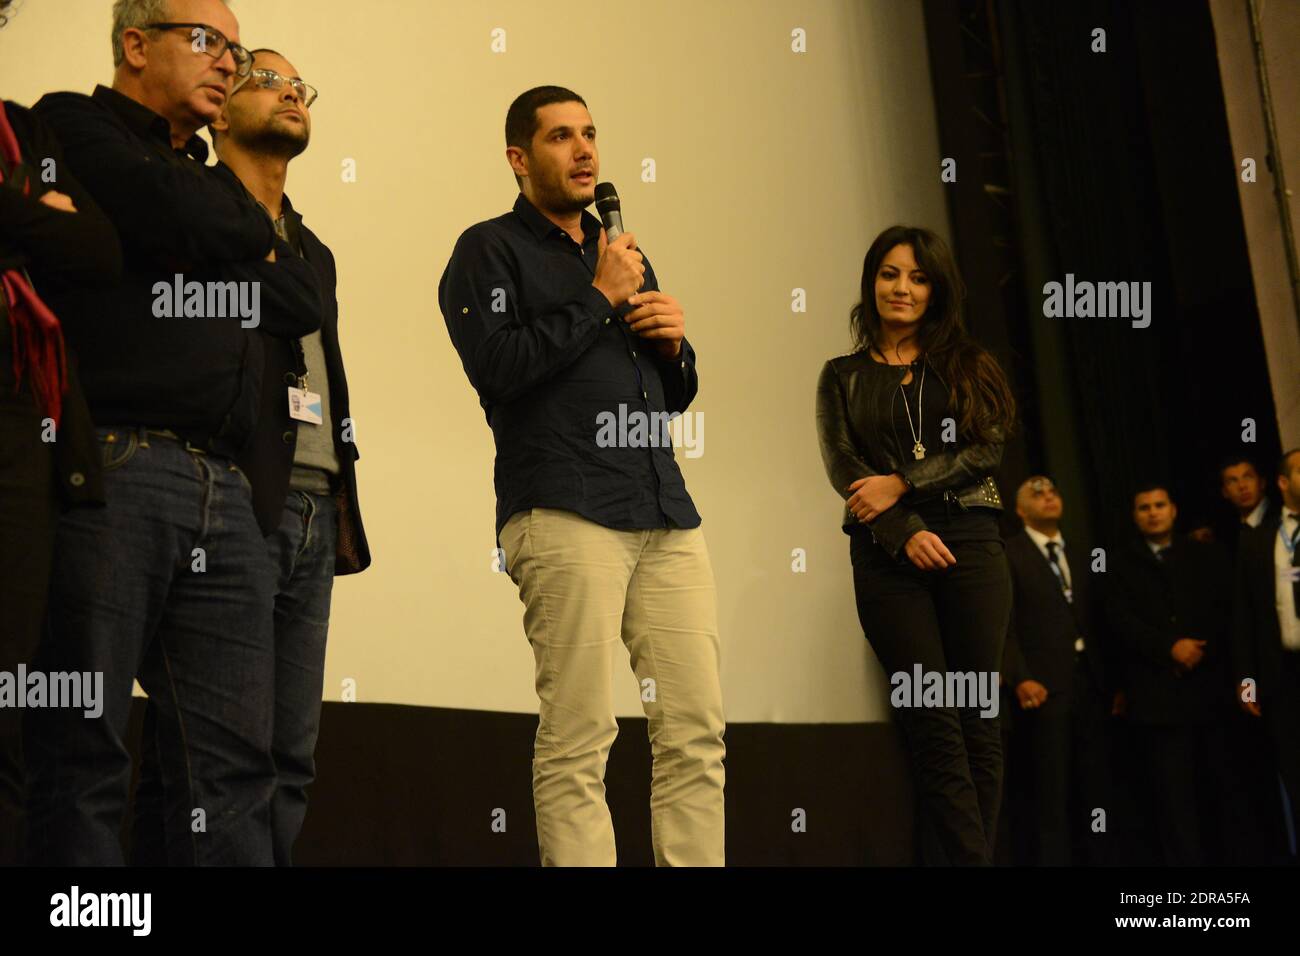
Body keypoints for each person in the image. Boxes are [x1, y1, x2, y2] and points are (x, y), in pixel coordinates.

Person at [22, 0, 323, 866]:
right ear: (134, 43)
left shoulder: (198, 176)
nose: (227, 61)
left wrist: (200, 245)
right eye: (206, 41)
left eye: (234, 48)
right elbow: (178, 215)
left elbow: (299, 298)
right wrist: (232, 246)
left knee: (233, 770)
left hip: (230, 491)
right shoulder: (72, 125)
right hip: (113, 467)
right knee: (83, 744)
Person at [439, 86, 725, 866]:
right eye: (562, 136)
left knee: (695, 730)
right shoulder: (488, 250)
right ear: (519, 158)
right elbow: (498, 369)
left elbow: (668, 396)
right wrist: (600, 297)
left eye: (591, 133)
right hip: (564, 508)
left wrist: (674, 350)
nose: (585, 150)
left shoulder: (621, 251)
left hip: (663, 509)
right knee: (581, 733)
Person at [133, 46, 371, 867]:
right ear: (220, 110)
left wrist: (341, 496)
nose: (290, 92)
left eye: (299, 83)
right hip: (232, 498)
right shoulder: (195, 211)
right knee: (206, 750)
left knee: (290, 757)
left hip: (314, 504)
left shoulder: (313, 248)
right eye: (264, 79)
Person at [816, 225, 1016, 865]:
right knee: (933, 722)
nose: (902, 288)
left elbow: (987, 448)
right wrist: (905, 531)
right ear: (871, 281)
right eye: (890, 273)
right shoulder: (841, 376)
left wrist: (904, 483)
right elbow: (844, 466)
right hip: (888, 558)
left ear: (937, 290)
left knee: (976, 719)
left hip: (972, 544)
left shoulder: (966, 363)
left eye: (918, 276)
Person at [0, 0, 123, 865]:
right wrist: (28, 211)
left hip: (21, 427)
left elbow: (99, 254)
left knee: (9, 701)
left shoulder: (21, 128)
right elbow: (57, 237)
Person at [1106, 483, 1232, 865]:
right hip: (1156, 697)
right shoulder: (1118, 563)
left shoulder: (1205, 553)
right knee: (1172, 800)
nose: (1153, 512)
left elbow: (1225, 607)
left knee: (1223, 790)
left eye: (1159, 505)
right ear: (1134, 515)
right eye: (1144, 507)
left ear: (1174, 510)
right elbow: (1118, 621)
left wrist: (1197, 647)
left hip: (1211, 691)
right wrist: (1168, 648)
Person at [1000, 476, 1116, 865]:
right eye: (1038, 494)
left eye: (1053, 492)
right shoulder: (1009, 554)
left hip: (1091, 683)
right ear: (1020, 510)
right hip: (1044, 688)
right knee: (1052, 792)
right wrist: (1020, 676)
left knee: (1097, 789)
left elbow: (1101, 619)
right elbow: (1004, 624)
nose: (1049, 498)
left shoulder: (1081, 551)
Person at [1232, 448, 1300, 861]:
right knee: (1294, 772)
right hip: (1283, 674)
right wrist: (1247, 678)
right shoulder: (1260, 540)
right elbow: (1245, 615)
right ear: (1283, 482)